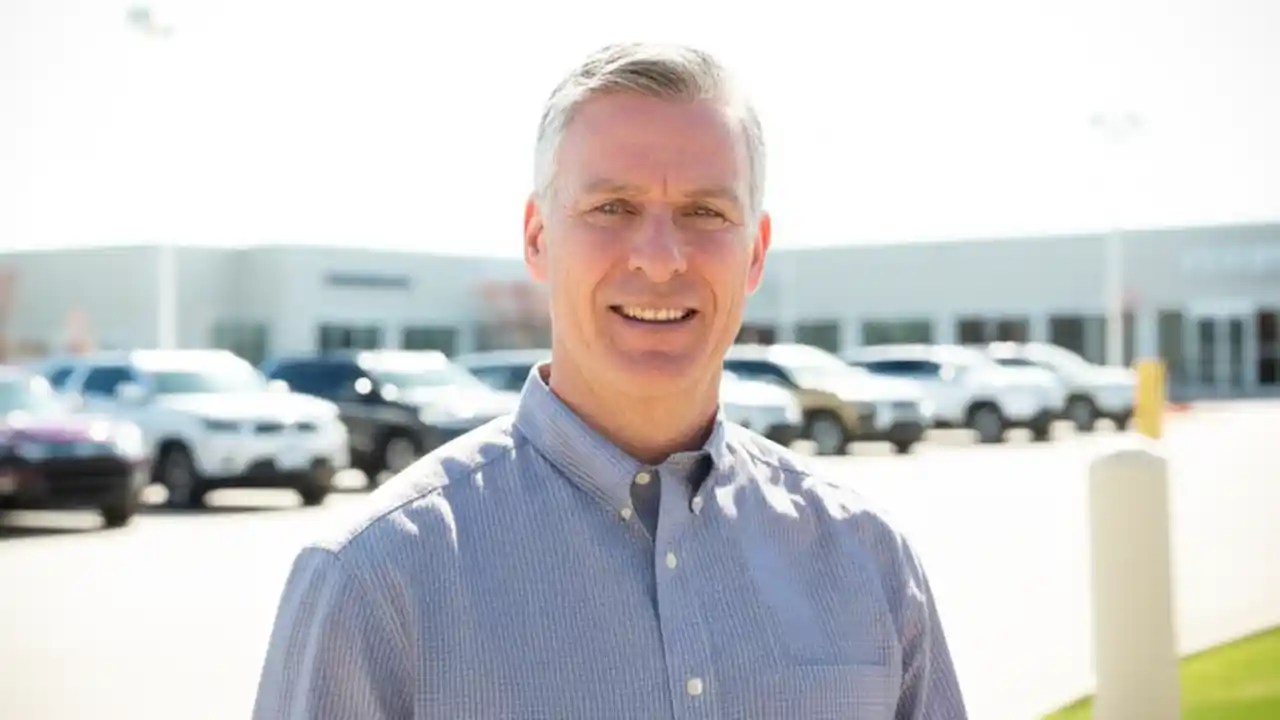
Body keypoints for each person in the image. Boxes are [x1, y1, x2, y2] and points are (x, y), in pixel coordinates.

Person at [252, 42, 967, 719]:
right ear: (537, 237)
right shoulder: (378, 580)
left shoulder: (867, 564)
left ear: (755, 252)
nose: (660, 259)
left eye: (704, 212)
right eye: (612, 208)